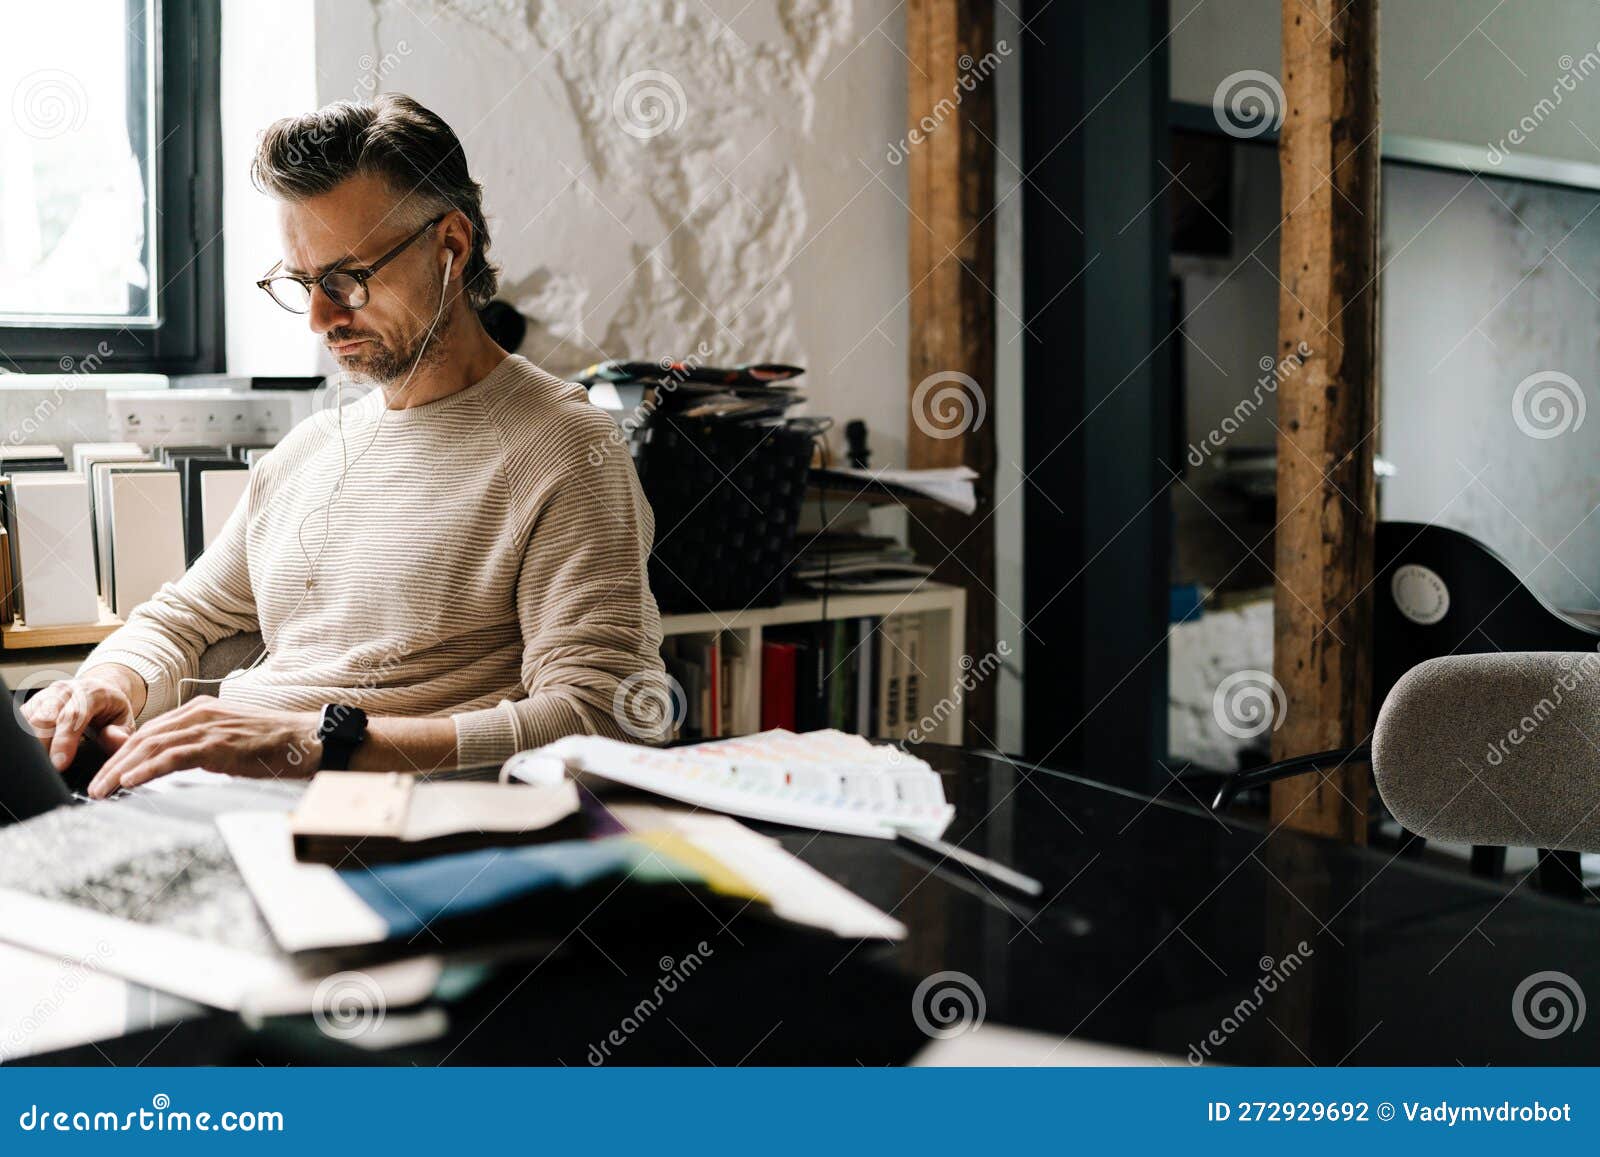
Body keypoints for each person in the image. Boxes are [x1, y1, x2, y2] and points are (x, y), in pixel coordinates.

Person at [23, 94, 665, 796]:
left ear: (452, 246)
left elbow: (606, 715)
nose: (320, 318)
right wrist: (105, 684)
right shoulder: (308, 450)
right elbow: (181, 619)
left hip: (361, 831)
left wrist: (309, 741)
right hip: (205, 797)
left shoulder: (564, 448)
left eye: (347, 280)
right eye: (302, 283)